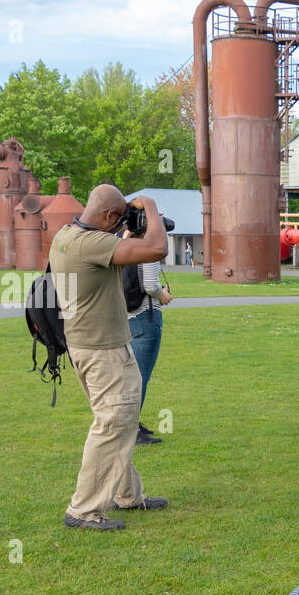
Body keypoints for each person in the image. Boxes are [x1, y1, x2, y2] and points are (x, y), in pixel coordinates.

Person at [50, 185, 170, 532]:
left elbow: (113, 251)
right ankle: (83, 510)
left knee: (120, 420)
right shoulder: (95, 244)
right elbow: (156, 248)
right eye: (117, 220)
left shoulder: (66, 235)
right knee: (114, 422)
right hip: (104, 351)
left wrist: (125, 228)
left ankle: (128, 495)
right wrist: (150, 207)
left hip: (83, 346)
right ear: (108, 217)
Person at [122, 231, 173, 446]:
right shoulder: (148, 248)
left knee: (129, 376)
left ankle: (129, 425)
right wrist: (163, 295)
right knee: (140, 377)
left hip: (126, 318)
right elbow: (151, 285)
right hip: (145, 316)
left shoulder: (123, 244)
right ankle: (129, 430)